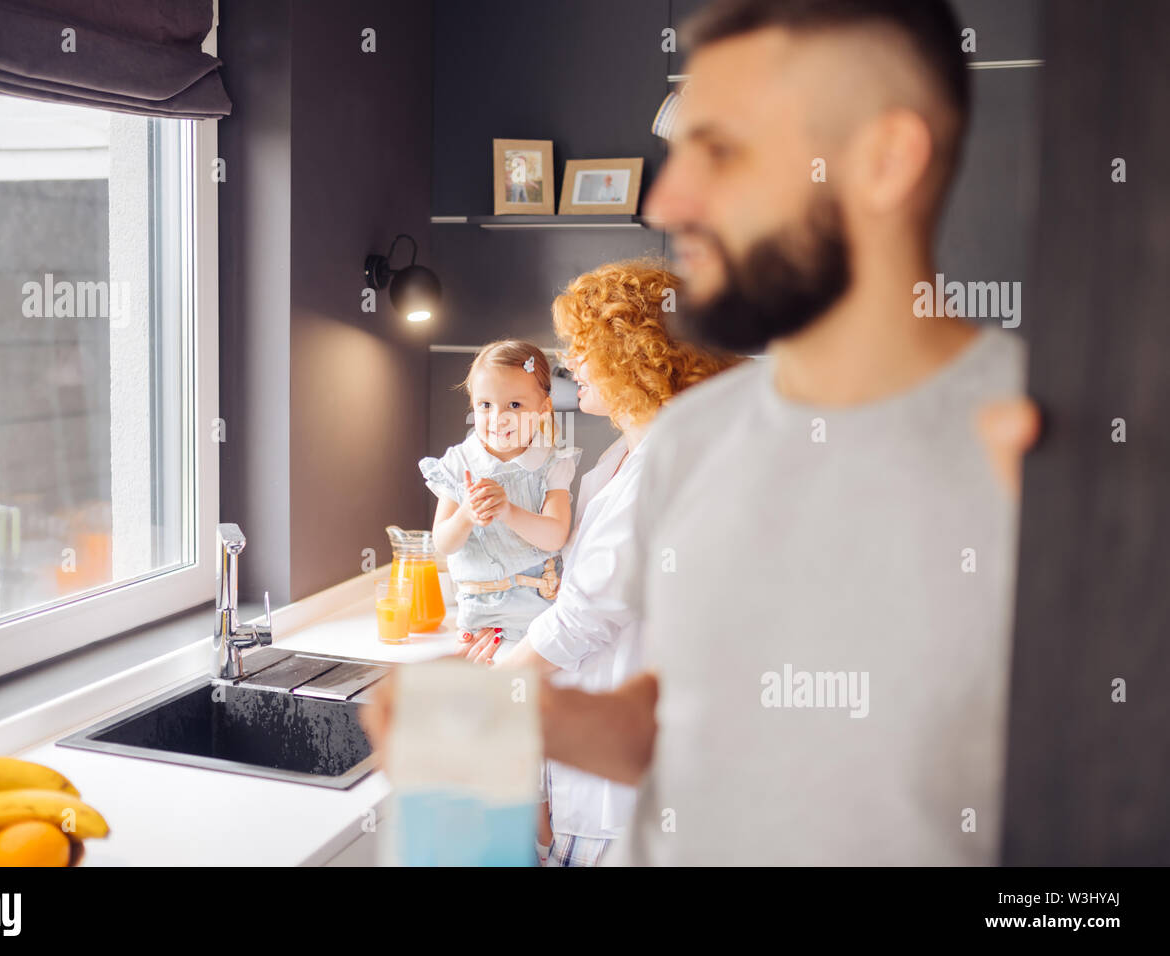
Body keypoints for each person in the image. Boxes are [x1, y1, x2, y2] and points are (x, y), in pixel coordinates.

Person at [364, 0, 1043, 866]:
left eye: (720, 151)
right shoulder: (695, 437)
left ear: (883, 160)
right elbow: (691, 730)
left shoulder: (1035, 458)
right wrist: (499, 713)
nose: (670, 199)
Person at [460, 261, 734, 866]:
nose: (569, 363)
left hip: (619, 796)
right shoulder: (623, 456)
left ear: (633, 356)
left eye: (583, 347)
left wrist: (490, 680)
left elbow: (584, 619)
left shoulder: (663, 466)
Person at [419, 340, 581, 661]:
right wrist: (466, 515)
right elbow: (443, 543)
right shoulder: (460, 464)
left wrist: (508, 511)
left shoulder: (550, 463)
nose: (498, 418)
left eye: (515, 405)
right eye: (485, 405)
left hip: (538, 615)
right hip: (480, 619)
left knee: (522, 684)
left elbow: (555, 535)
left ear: (543, 409)